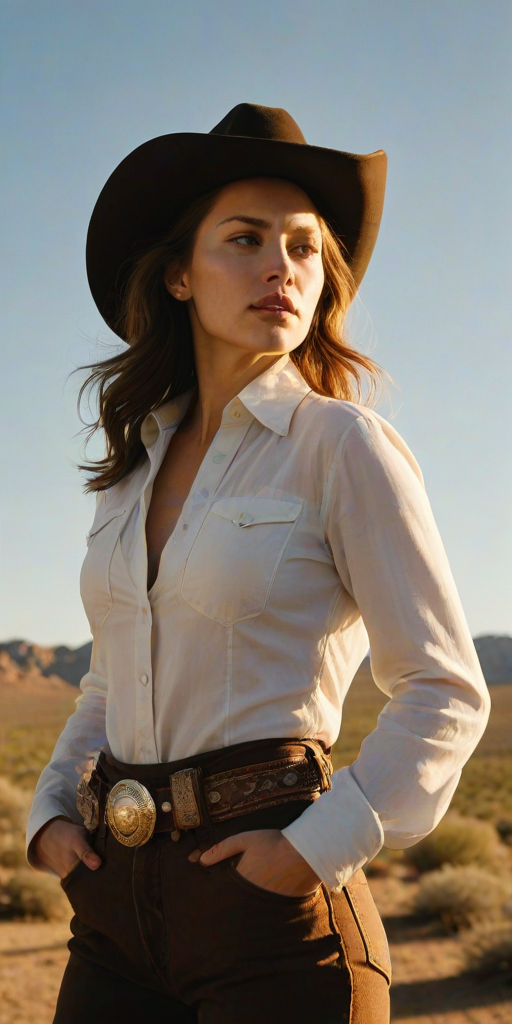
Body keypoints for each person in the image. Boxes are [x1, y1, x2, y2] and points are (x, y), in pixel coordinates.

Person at [26, 103, 490, 1024]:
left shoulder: (342, 446)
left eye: (305, 246)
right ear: (179, 275)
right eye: (246, 239)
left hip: (272, 912)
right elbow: (112, 682)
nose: (282, 266)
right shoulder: (132, 469)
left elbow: (444, 689)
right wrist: (49, 810)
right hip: (114, 907)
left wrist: (314, 848)